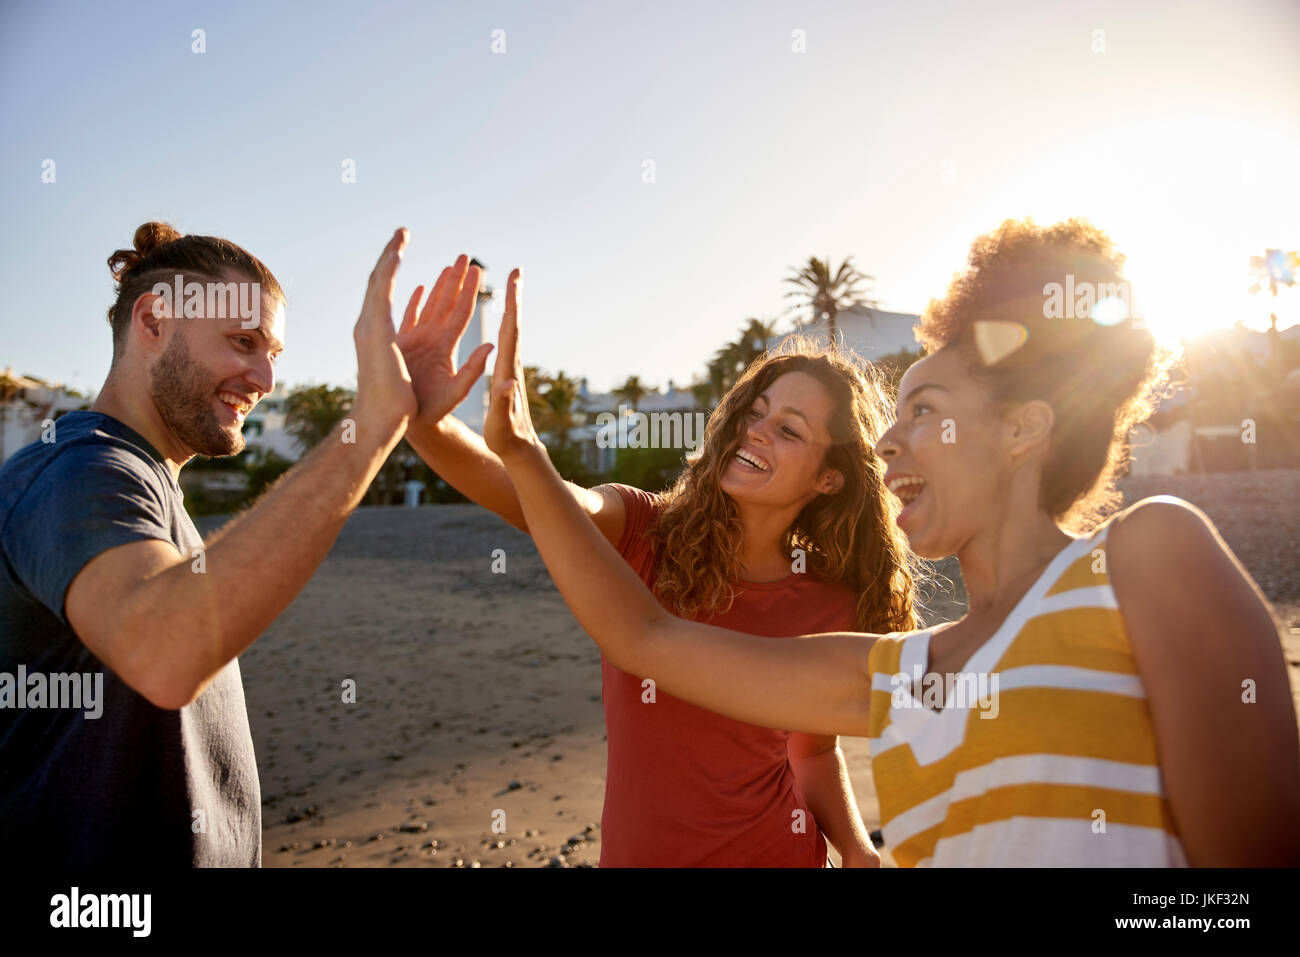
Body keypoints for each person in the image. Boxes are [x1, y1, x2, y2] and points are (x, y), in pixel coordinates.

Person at [482, 219, 1300, 866]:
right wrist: (516, 449)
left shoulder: (1148, 556)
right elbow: (644, 636)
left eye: (922, 410)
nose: (885, 443)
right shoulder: (902, 669)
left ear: (1023, 427)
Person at [396, 257, 922, 866]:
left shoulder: (829, 600)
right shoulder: (642, 528)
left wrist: (856, 848)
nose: (756, 432)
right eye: (755, 413)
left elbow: (811, 751)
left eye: (789, 430)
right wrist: (424, 417)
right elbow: (523, 495)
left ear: (831, 477)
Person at [0, 222, 442, 866]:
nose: (265, 376)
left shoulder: (146, 483)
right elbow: (162, 650)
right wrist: (371, 426)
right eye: (243, 342)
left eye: (275, 354)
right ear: (154, 320)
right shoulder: (80, 471)